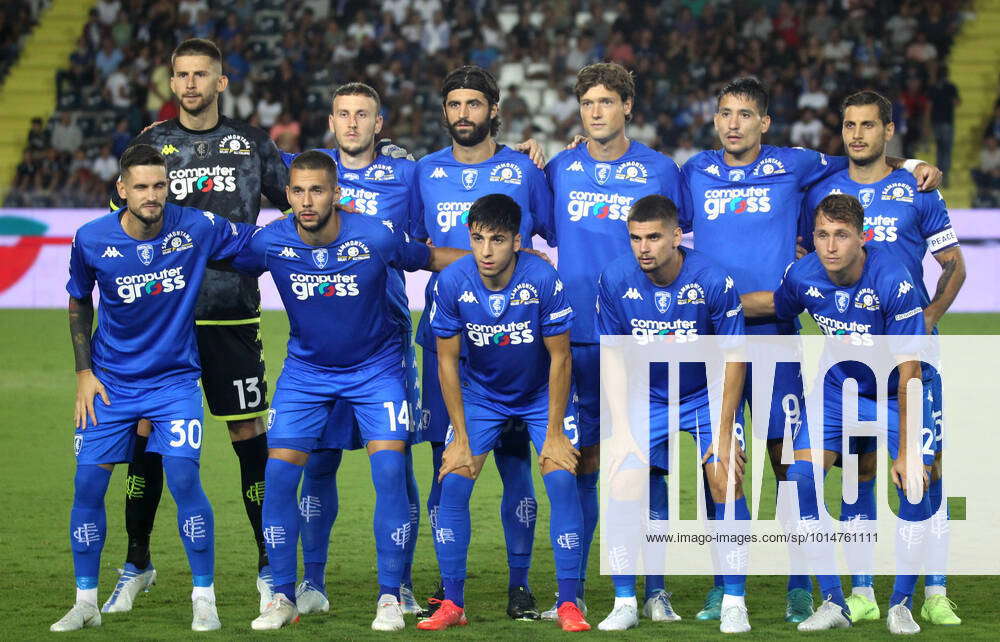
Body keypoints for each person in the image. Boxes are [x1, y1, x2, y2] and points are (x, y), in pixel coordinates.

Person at [677, 76, 941, 627]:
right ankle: (725, 588)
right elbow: (650, 214)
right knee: (718, 462)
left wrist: (912, 162)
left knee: (786, 464)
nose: (733, 123)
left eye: (745, 113)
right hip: (718, 343)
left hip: (777, 342)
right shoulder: (692, 171)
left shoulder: (795, 164)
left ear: (764, 123)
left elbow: (861, 157)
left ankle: (805, 589)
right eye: (725, 112)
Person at [232, 151, 466, 631]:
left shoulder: (374, 235)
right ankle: (282, 595)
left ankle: (388, 597)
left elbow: (429, 257)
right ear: (288, 195)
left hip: (376, 369)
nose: (306, 200)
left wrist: (504, 258)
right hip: (306, 373)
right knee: (278, 479)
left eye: (317, 190)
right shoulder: (271, 241)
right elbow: (207, 252)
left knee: (388, 471)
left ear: (336, 194)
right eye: (297, 191)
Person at [104, 37, 290, 615]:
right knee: (145, 435)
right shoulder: (150, 145)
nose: (189, 84)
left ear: (221, 81)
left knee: (246, 435)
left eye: (200, 74)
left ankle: (268, 565)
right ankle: (137, 562)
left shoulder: (253, 145)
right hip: (161, 322)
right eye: (180, 74)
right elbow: (124, 229)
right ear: (172, 81)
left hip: (231, 315)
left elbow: (303, 203)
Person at [53, 143, 256, 632]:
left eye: (159, 185)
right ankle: (85, 602)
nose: (151, 196)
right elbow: (79, 301)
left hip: (173, 383)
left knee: (185, 480)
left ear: (169, 186)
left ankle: (203, 597)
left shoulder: (196, 228)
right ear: (121, 190)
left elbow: (258, 244)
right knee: (87, 486)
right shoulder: (90, 239)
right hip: (110, 384)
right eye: (141, 187)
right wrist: (84, 373)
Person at [800, 90, 965, 626]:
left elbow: (953, 265)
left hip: (909, 356)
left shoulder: (915, 189)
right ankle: (865, 590)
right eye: (849, 125)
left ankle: (934, 591)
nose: (857, 135)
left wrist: (930, 317)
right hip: (848, 361)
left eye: (868, 125)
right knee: (857, 469)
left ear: (888, 131)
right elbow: (809, 260)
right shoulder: (824, 190)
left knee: (926, 471)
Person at [741, 193, 936, 635]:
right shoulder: (805, 274)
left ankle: (901, 603)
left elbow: (909, 372)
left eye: (841, 236)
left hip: (893, 393)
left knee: (915, 482)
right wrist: (717, 300)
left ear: (862, 237)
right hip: (837, 391)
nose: (830, 246)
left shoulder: (893, 280)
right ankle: (832, 601)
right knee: (800, 480)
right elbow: (775, 303)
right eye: (822, 235)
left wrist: (906, 452)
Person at [541, 61, 684, 624]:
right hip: (575, 340)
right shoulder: (558, 169)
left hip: (642, 340)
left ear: (628, 106)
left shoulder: (661, 169)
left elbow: (678, 240)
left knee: (647, 465)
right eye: (587, 103)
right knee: (579, 465)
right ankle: (570, 592)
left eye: (606, 102)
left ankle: (656, 589)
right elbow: (543, 233)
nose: (596, 112)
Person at [277, 82, 425, 617]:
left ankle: (400, 583)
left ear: (379, 123)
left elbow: (460, 186)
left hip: (383, 344)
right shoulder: (306, 173)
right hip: (319, 350)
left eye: (363, 114)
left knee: (396, 466)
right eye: (344, 114)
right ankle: (311, 583)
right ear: (332, 122)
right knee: (318, 464)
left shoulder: (408, 174)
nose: (353, 123)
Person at [411, 65, 552, 621]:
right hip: (446, 336)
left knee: (517, 467)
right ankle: (451, 589)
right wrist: (473, 264)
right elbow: (408, 248)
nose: (463, 113)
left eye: (474, 103)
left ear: (494, 109)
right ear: (444, 111)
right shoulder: (422, 171)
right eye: (454, 104)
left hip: (516, 338)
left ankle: (520, 588)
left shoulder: (524, 169)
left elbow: (548, 237)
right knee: (448, 463)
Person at [416, 194, 589, 632]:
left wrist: (553, 432)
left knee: (561, 477)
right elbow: (447, 363)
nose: (486, 251)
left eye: (496, 240)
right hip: (482, 397)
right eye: (477, 239)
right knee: (453, 481)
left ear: (516, 240)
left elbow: (561, 358)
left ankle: (568, 602)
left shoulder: (543, 279)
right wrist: (459, 437)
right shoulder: (452, 282)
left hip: (539, 396)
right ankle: (452, 603)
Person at [595, 194, 748, 632]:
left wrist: (723, 430)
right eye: (636, 238)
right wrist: (622, 430)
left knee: (726, 476)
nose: (644, 247)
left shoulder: (713, 280)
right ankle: (625, 600)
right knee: (622, 479)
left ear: (677, 236)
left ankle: (735, 600)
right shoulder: (614, 279)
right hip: (647, 396)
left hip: (705, 394)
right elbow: (612, 357)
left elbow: (735, 358)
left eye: (654, 237)